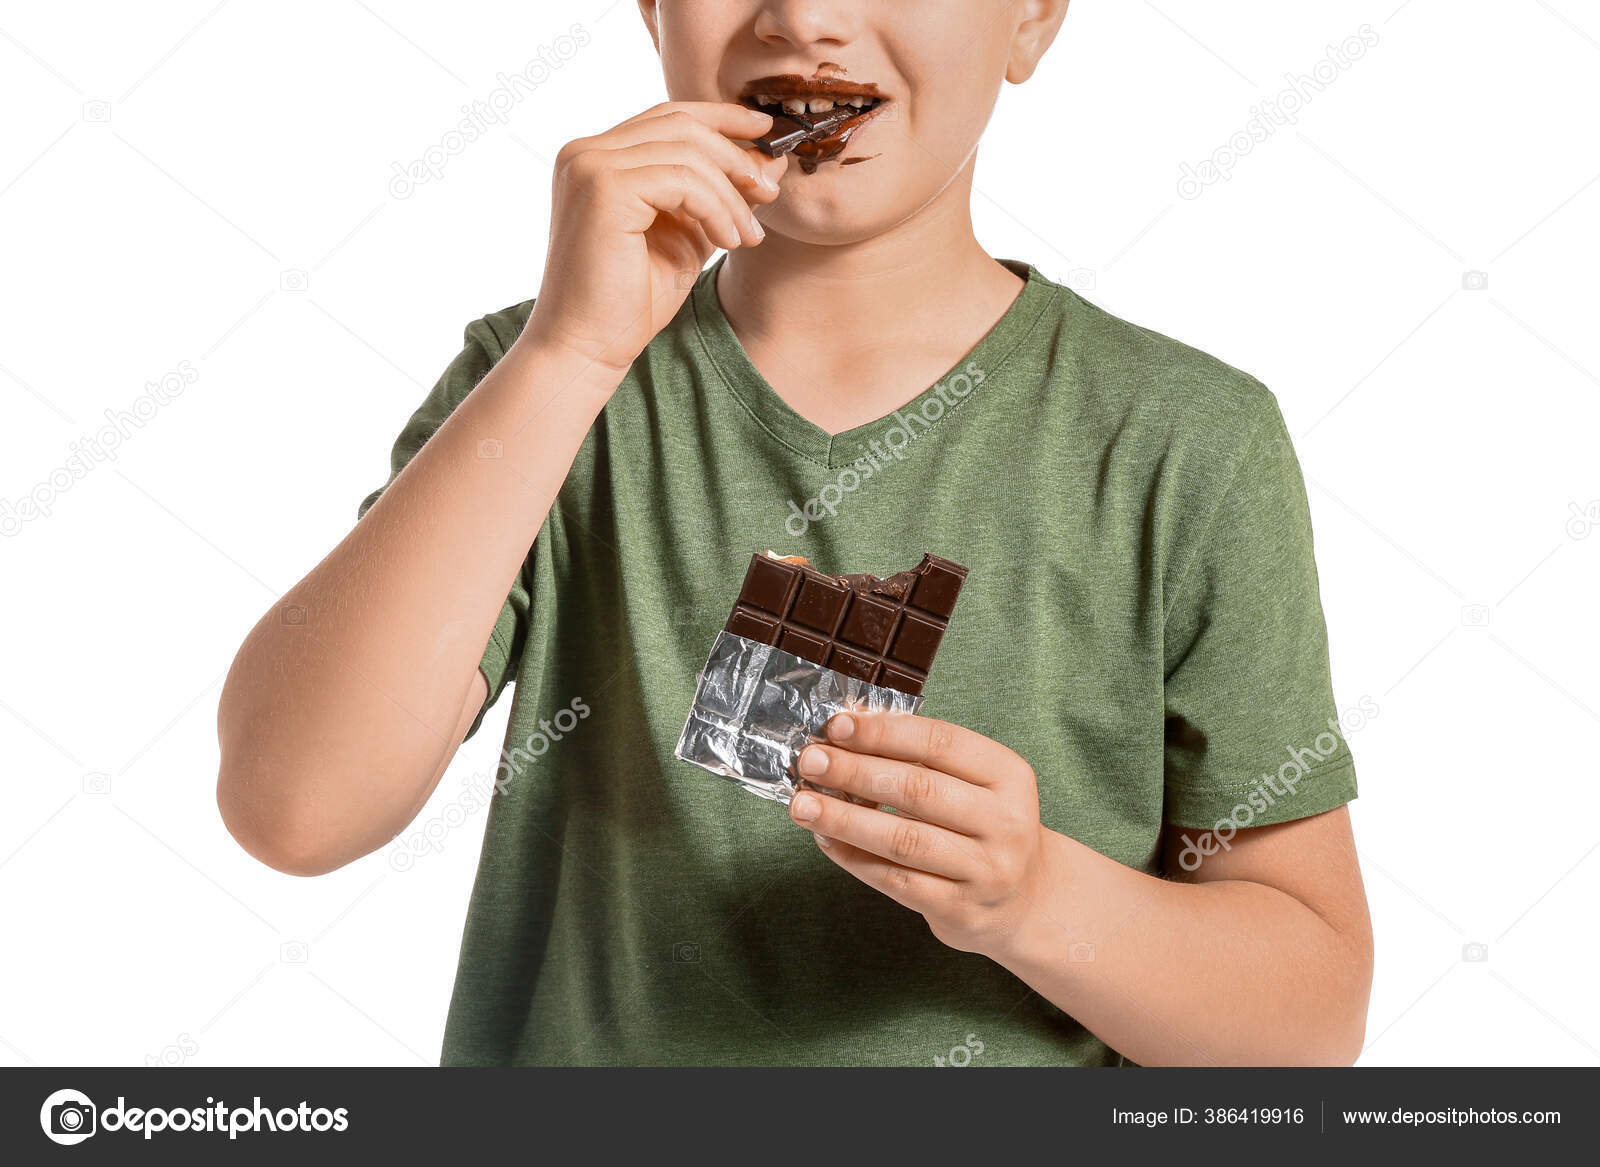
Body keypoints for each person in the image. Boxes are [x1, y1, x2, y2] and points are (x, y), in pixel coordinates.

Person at [217, 0, 1372, 1066]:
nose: (804, 17)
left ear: (1029, 21)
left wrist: (1030, 897)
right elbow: (295, 808)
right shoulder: (542, 386)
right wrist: (569, 355)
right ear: (652, 12)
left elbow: (1308, 1027)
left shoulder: (1184, 441)